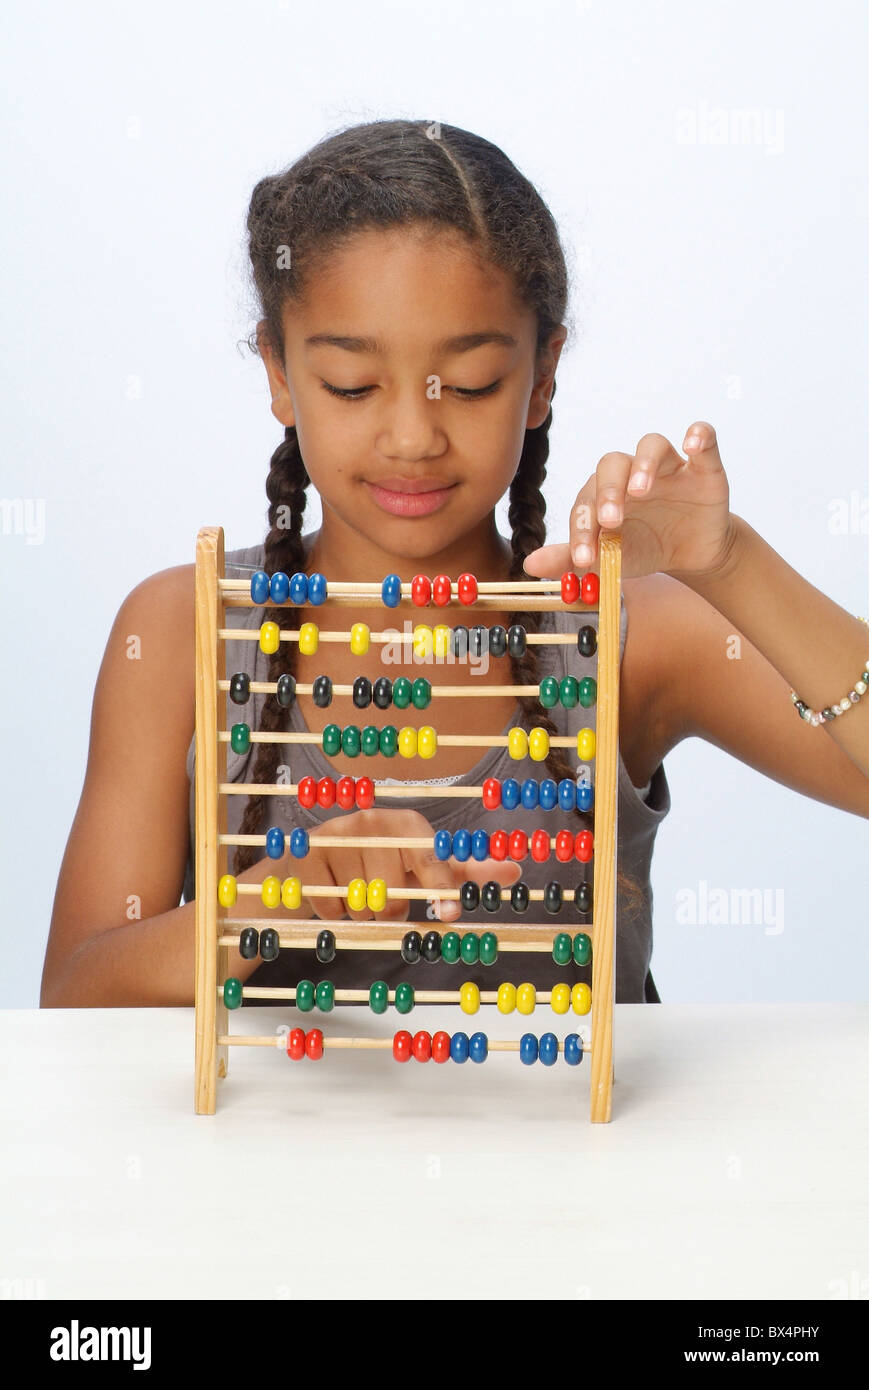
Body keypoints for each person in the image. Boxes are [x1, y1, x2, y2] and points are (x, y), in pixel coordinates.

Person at [40, 119, 869, 1010]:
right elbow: (78, 994)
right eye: (352, 386)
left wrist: (728, 562)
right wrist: (271, 905)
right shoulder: (183, 632)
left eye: (470, 383)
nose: (413, 436)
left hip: (579, 1157)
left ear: (542, 373)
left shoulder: (626, 633)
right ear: (279, 370)